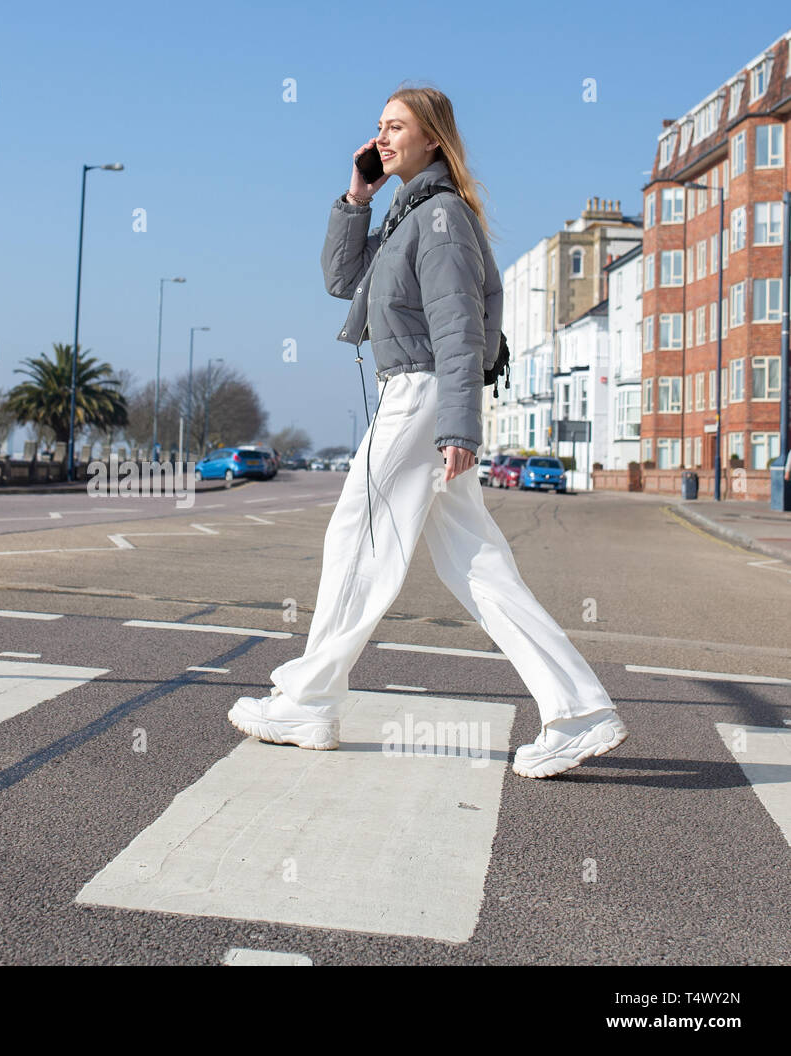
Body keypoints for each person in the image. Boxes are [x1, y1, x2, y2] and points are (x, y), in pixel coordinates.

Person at [227, 84, 628, 779]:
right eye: (378, 128)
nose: (382, 139)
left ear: (433, 139)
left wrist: (458, 429)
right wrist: (357, 196)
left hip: (423, 393)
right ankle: (578, 710)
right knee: (477, 565)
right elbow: (341, 278)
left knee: (358, 538)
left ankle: (310, 698)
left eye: (396, 128)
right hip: (419, 393)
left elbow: (457, 328)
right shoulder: (408, 214)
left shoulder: (439, 218)